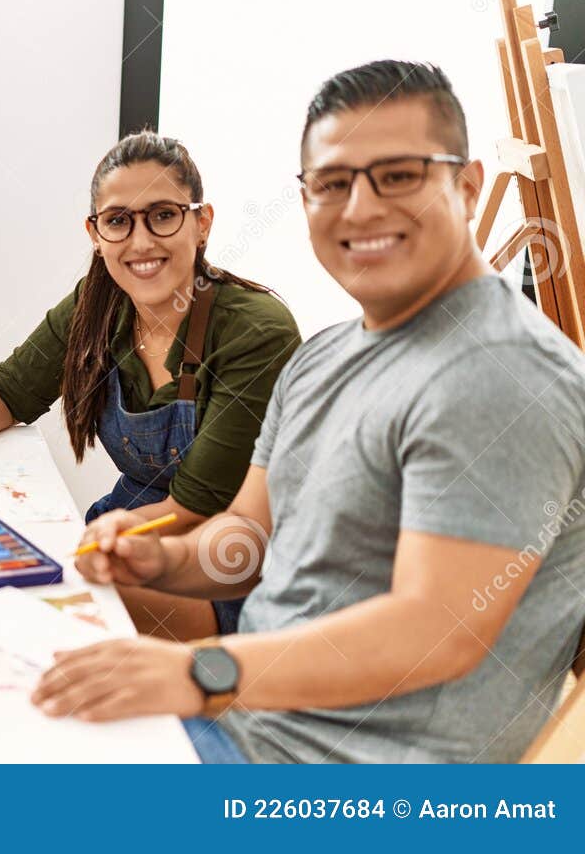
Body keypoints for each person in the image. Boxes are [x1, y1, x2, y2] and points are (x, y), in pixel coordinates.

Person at [33, 61, 585, 764]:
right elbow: (247, 543)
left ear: (468, 186)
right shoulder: (324, 357)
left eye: (399, 175)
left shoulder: (500, 373)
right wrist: (161, 559)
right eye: (332, 183)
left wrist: (199, 670)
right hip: (250, 726)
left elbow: (435, 630)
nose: (360, 208)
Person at [0, 132, 300, 638]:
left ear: (201, 223)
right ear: (95, 233)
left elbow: (196, 506)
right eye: (118, 221)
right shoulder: (98, 306)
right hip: (125, 532)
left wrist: (79, 551)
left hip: (224, 571)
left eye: (163, 215)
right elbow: (7, 392)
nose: (140, 243)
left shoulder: (255, 330)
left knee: (20, 608)